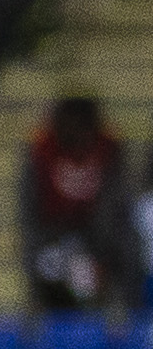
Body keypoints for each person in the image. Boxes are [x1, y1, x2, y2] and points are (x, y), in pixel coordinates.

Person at [19, 95, 138, 313]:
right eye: (68, 122)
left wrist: (102, 254)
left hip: (98, 243)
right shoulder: (42, 151)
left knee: (125, 246)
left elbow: (116, 210)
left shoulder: (108, 150)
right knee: (57, 266)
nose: (75, 130)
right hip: (53, 240)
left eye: (81, 123)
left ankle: (121, 312)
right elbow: (30, 214)